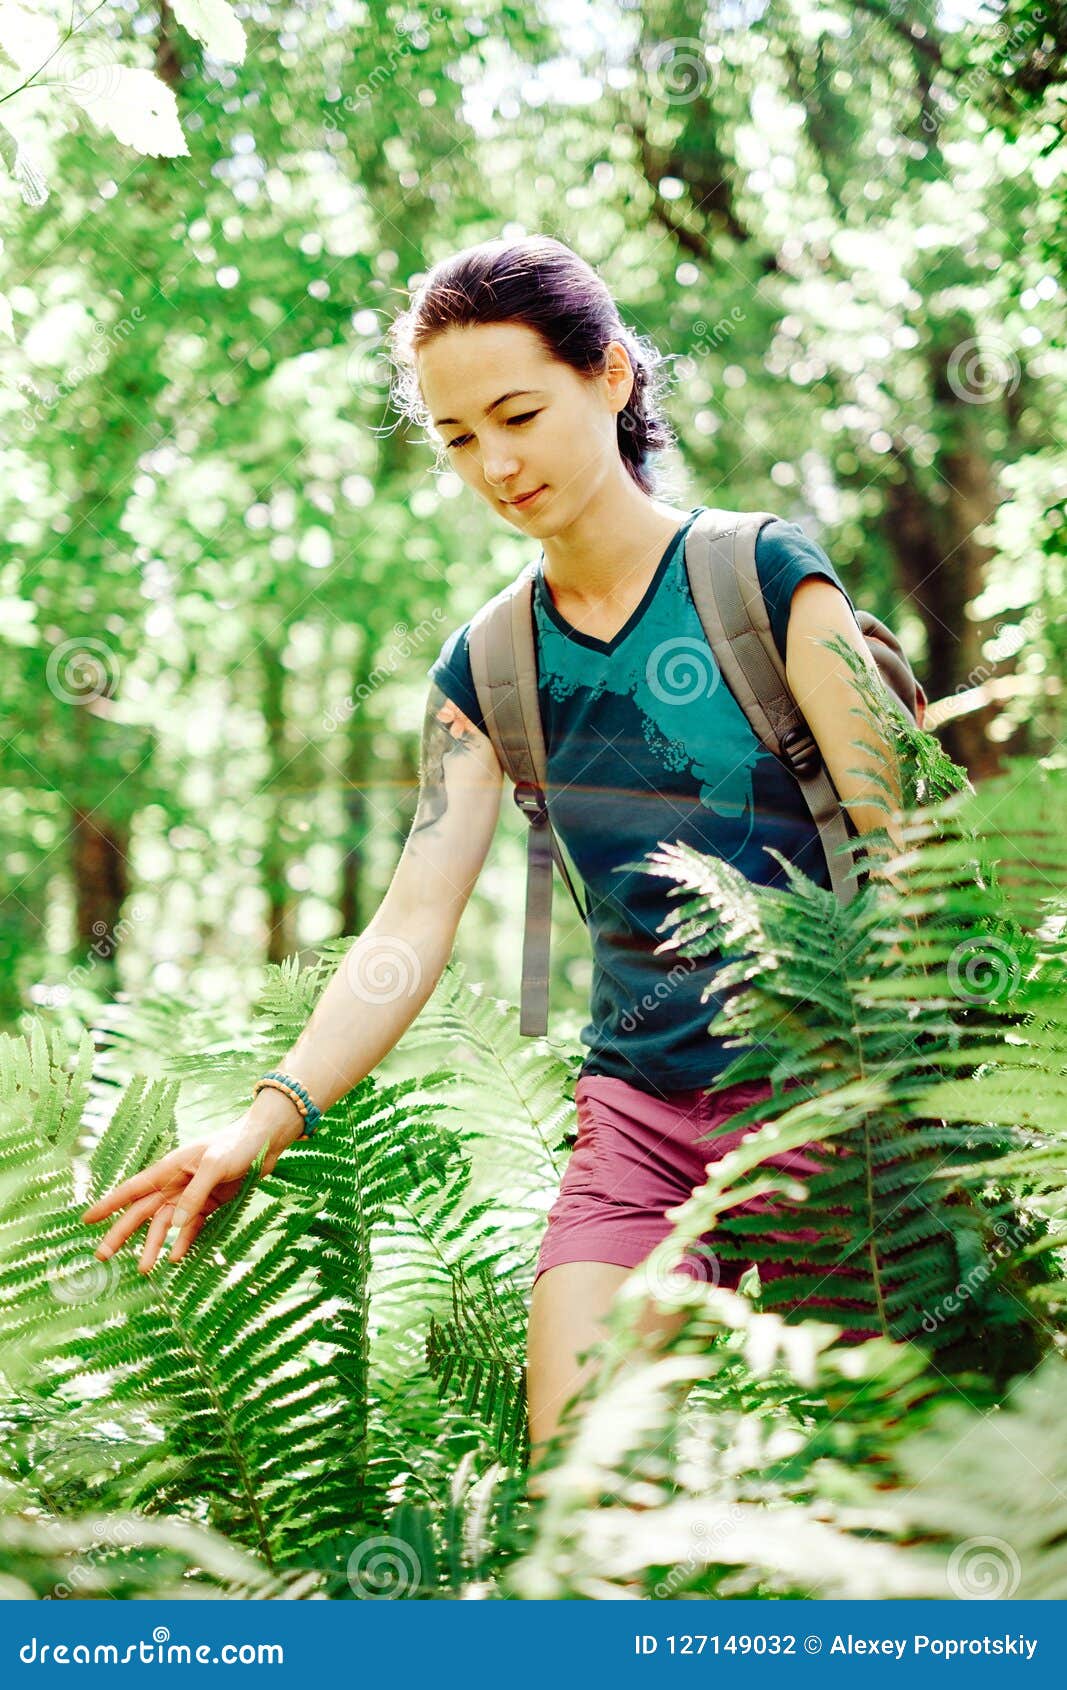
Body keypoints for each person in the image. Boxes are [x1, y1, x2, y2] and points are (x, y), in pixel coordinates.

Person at [82, 234, 903, 1487]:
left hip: (833, 1106)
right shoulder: (490, 665)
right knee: (580, 1491)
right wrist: (264, 1118)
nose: (496, 464)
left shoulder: (762, 580)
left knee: (887, 1504)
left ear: (611, 378)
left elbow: (912, 858)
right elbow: (410, 923)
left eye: (518, 413)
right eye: (459, 437)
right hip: (638, 1122)